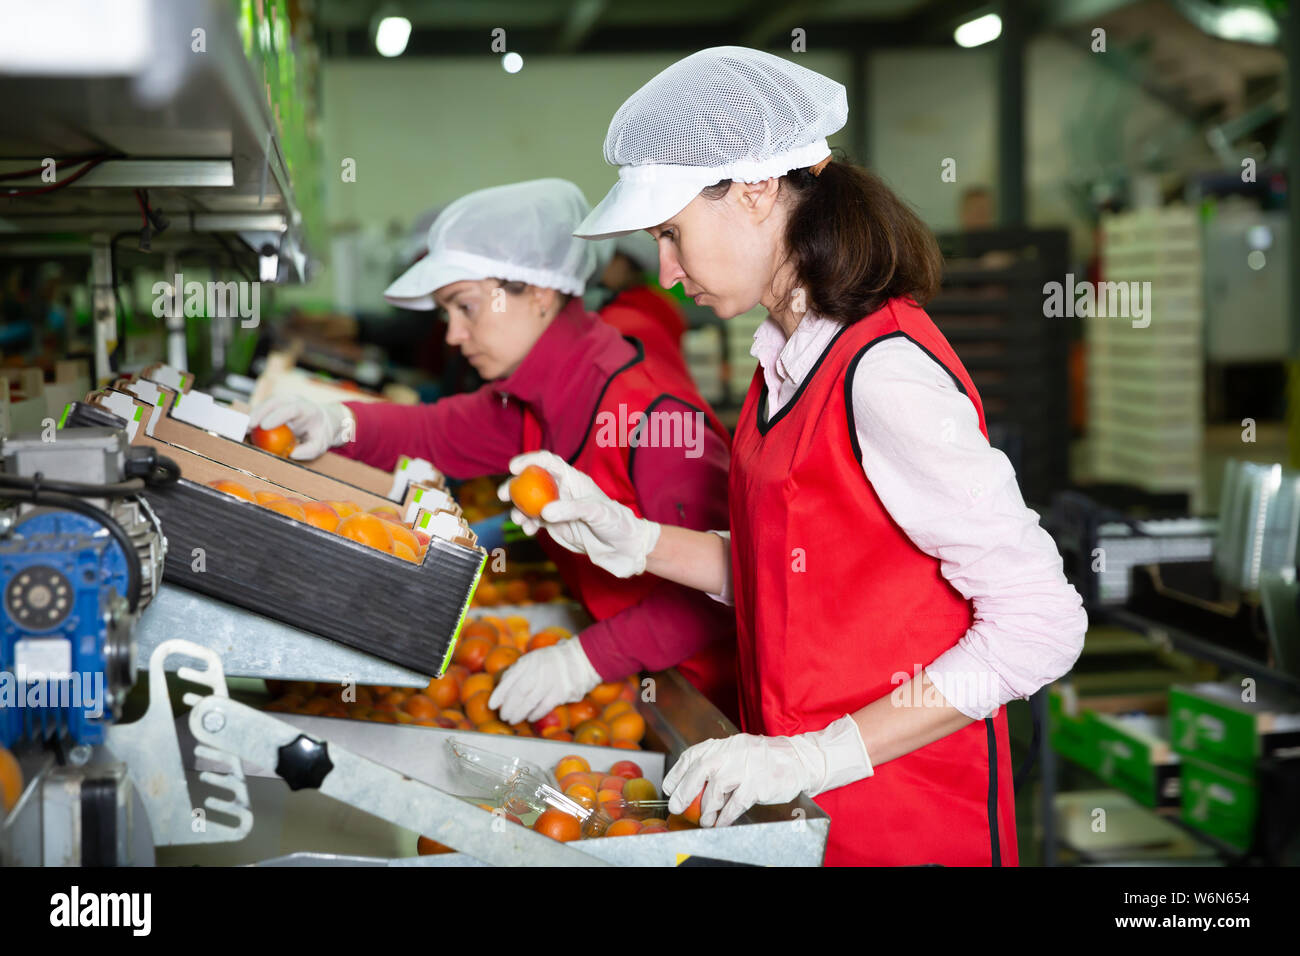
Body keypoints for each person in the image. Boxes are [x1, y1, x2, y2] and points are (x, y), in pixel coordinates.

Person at [500, 48, 1088, 866]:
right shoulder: (784, 358)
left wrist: (817, 755)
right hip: (804, 812)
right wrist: (634, 540)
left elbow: (1041, 626)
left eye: (671, 233)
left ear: (754, 191)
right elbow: (798, 576)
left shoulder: (880, 375)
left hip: (903, 822)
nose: (665, 273)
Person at [249, 178, 740, 725]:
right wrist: (335, 420)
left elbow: (725, 589)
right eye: (446, 314)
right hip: (632, 681)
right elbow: (432, 432)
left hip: (701, 706)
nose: (454, 335)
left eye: (466, 307)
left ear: (540, 292)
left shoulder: (655, 417)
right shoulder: (535, 395)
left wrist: (584, 660)